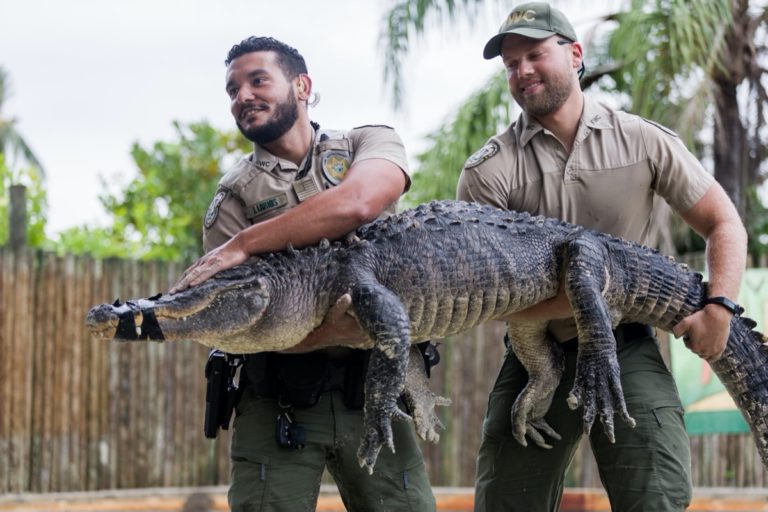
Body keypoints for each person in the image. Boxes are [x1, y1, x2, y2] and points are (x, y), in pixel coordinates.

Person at [456, 3, 747, 511]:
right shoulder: (489, 170)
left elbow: (723, 222)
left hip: (627, 343)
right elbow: (482, 291)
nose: (522, 71)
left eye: (534, 54)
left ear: (575, 54)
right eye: (511, 63)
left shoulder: (642, 140)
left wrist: (720, 307)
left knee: (656, 497)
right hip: (534, 349)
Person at [171, 36, 437, 512]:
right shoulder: (233, 199)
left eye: (258, 80)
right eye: (232, 89)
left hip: (375, 389)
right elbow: (236, 324)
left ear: (302, 86)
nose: (243, 96)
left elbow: (360, 203)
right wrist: (329, 332)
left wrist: (248, 243)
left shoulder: (367, 143)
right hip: (280, 398)